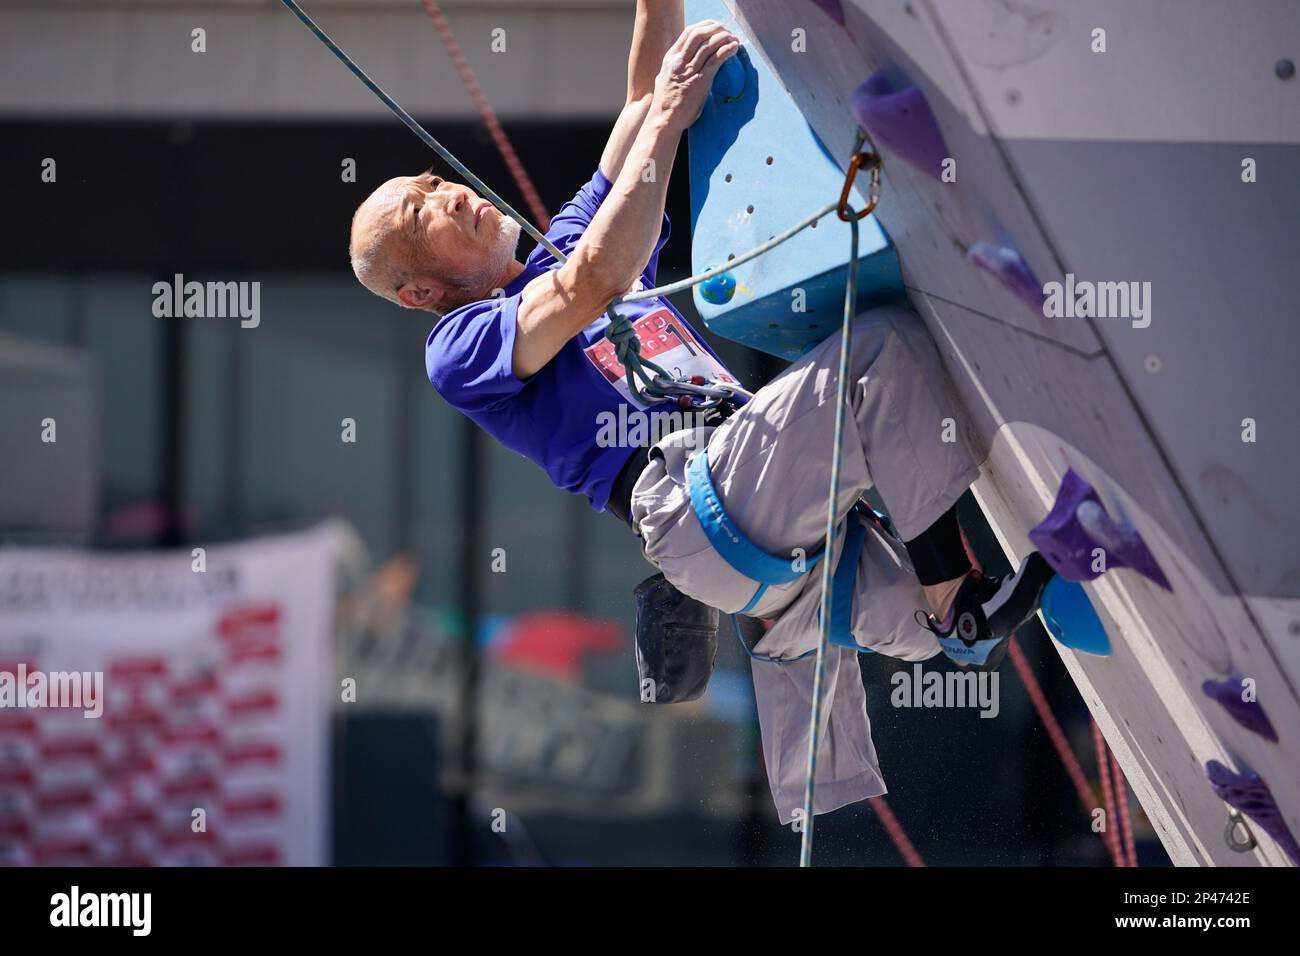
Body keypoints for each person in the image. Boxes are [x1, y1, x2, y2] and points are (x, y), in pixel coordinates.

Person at [348, 2, 1052, 823]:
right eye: (418, 210)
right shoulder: (459, 345)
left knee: (952, 636)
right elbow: (591, 284)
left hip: (755, 527)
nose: (444, 190)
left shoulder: (561, 246)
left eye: (431, 180)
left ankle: (949, 605)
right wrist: (668, 123)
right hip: (697, 503)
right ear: (422, 290)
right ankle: (949, 590)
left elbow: (645, 104)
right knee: (884, 355)